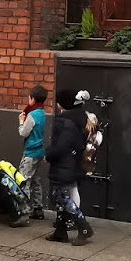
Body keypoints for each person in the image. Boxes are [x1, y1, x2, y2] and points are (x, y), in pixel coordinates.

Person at [45, 92, 98, 245]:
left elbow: (61, 145)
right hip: (74, 163)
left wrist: (48, 154)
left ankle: (84, 227)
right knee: (62, 197)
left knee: (61, 197)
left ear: (62, 105)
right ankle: (60, 231)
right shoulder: (82, 118)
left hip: (63, 164)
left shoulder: (64, 121)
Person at [17, 85, 49, 218]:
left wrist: (20, 122)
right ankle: (38, 208)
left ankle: (23, 210)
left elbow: (23, 133)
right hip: (39, 151)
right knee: (36, 180)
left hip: (30, 152)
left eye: (29, 98)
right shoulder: (42, 113)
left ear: (33, 99)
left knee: (23, 180)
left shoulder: (31, 115)